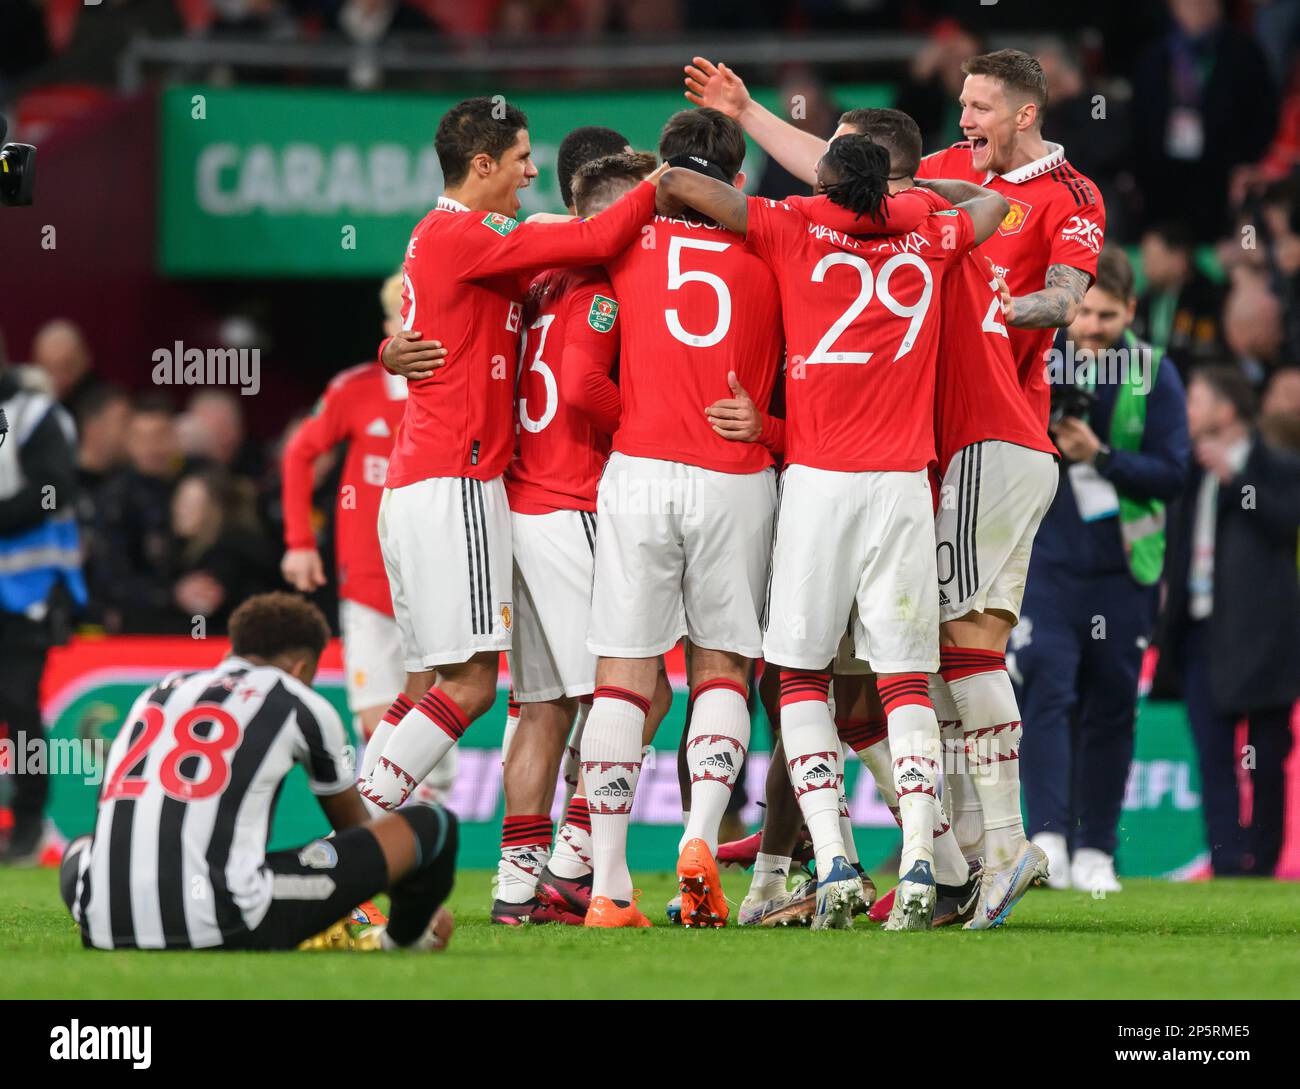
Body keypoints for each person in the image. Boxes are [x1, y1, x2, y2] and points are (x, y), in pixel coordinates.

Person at [655, 133, 1008, 929]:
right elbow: (992, 205)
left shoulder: (789, 224)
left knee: (800, 677)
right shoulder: (930, 231)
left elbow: (682, 183)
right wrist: (919, 196)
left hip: (819, 483)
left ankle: (837, 859)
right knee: (905, 682)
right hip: (903, 488)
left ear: (824, 186)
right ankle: (922, 864)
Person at [355, 97, 660, 818]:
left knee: (428, 682)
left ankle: (365, 848)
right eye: (521, 157)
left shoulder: (443, 235)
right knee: (471, 688)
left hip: (422, 482)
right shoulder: (473, 233)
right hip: (455, 481)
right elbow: (592, 238)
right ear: (483, 164)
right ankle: (359, 840)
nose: (531, 171)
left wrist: (386, 350)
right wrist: (669, 179)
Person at [578, 109, 784, 929]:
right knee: (723, 670)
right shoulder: (777, 251)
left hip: (637, 472)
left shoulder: (623, 244)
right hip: (734, 473)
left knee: (623, 677)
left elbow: (585, 372)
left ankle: (608, 883)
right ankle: (702, 836)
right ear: (737, 182)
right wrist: (769, 430)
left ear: (664, 176)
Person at [685, 48, 1108, 431]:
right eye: (963, 105)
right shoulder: (955, 161)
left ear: (1024, 117)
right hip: (925, 415)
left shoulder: (1075, 196)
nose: (964, 121)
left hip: (997, 419)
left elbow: (1065, 300)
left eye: (980, 108)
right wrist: (746, 111)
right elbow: (841, 171)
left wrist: (1013, 307)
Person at [61, 592, 458, 951]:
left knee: (80, 850)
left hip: (103, 924)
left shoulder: (157, 693)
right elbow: (356, 830)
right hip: (223, 921)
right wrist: (413, 891)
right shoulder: (298, 700)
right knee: (433, 825)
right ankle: (403, 942)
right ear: (302, 667)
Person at [493, 150, 674, 926]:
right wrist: (652, 425)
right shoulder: (602, 287)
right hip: (569, 506)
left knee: (541, 708)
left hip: (521, 501)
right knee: (642, 689)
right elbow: (582, 385)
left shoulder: (538, 278)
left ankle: (512, 890)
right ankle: (575, 864)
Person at [1014, 247, 1190, 892]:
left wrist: (1104, 456)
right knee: (1048, 693)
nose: (1091, 326)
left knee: (1113, 705)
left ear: (1131, 312)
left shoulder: (1154, 374)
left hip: (1122, 570)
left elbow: (1175, 474)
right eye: (1082, 312)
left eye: (1106, 315)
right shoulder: (1038, 357)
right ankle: (1049, 839)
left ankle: (1096, 849)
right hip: (1048, 562)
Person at [281, 272, 458, 814]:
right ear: (388, 327)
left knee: (439, 704)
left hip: (441, 577)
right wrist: (299, 541)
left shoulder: (459, 387)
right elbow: (298, 454)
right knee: (376, 713)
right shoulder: (354, 390)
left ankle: (417, 848)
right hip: (367, 580)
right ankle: (387, 839)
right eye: (403, 317)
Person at [1161, 365, 1300, 876]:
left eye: (1195, 400)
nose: (1186, 411)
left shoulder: (1279, 464)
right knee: (1214, 756)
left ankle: (1261, 862)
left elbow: (1286, 524)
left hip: (1266, 636)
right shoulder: (1188, 469)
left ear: (1225, 410)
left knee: (1265, 758)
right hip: (1200, 632)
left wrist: (1236, 478)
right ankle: (1226, 862)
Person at [0, 353, 87, 864]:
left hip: (29, 588)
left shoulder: (34, 414)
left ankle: (30, 821)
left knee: (16, 701)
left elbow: (54, 492)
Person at [88, 394, 189, 633]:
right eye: (143, 437)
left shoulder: (196, 486)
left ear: (176, 438)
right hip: (135, 627)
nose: (152, 446)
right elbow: (110, 577)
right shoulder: (113, 499)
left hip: (194, 625)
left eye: (161, 435)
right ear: (128, 442)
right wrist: (170, 595)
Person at [1134, 222, 1225, 370]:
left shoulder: (1208, 299)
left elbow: (1207, 354)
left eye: (1152, 258)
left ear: (1178, 259)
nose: (1145, 267)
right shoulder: (1144, 300)